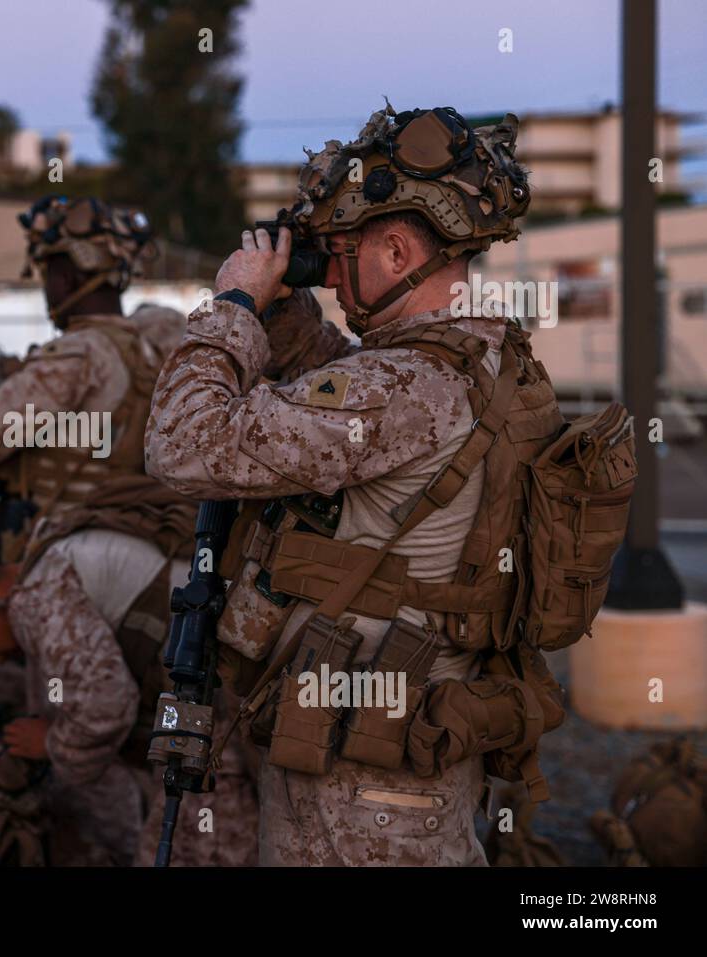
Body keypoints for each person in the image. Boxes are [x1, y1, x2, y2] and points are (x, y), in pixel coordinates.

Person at [144, 105, 568, 866]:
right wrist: (290, 316)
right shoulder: (489, 362)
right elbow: (345, 397)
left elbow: (182, 445)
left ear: (400, 249)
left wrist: (233, 306)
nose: (334, 273)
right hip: (415, 745)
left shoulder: (396, 386)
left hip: (356, 787)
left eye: (345, 253)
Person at [0, 475, 259, 867]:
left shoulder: (35, 597)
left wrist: (50, 744)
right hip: (227, 687)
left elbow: (105, 704)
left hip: (220, 708)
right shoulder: (50, 548)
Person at [0, 196, 179, 562]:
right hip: (131, 540)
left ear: (66, 278)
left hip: (65, 547)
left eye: (48, 275)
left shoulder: (77, 354)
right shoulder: (152, 343)